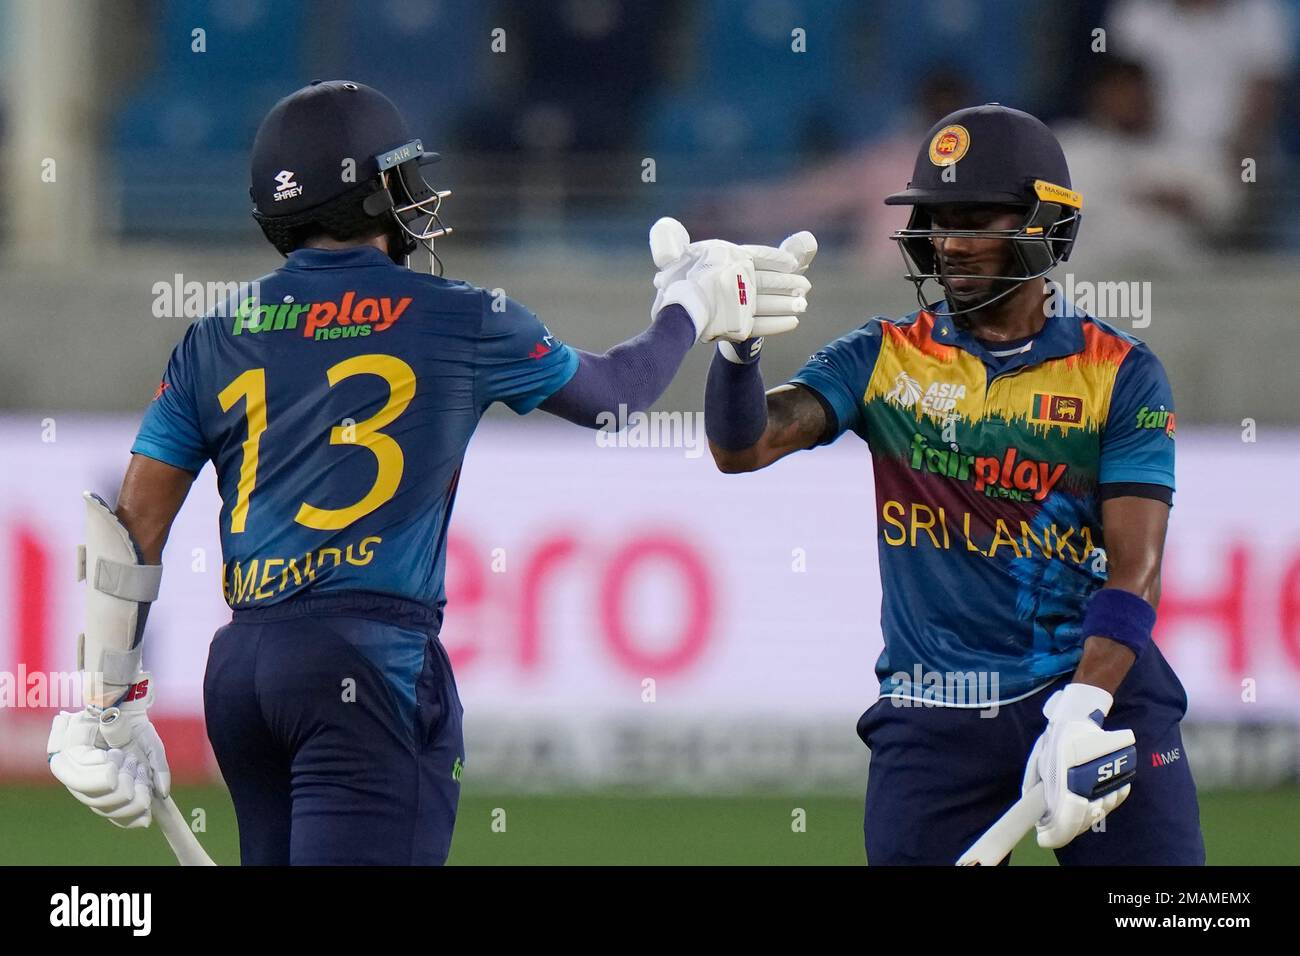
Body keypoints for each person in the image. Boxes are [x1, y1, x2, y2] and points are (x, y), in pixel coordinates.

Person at [45, 80, 813, 865]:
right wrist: (688, 306)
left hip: (244, 671)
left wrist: (103, 707)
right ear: (373, 194)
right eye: (401, 178)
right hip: (370, 662)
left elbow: (130, 528)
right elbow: (614, 399)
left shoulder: (215, 332)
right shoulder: (459, 314)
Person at [703, 104, 1205, 864]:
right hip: (934, 716)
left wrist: (1084, 706)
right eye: (940, 220)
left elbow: (1135, 572)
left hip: (1096, 698)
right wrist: (738, 352)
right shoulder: (881, 356)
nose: (953, 244)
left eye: (978, 218)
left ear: (1047, 226)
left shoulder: (1121, 374)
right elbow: (741, 448)